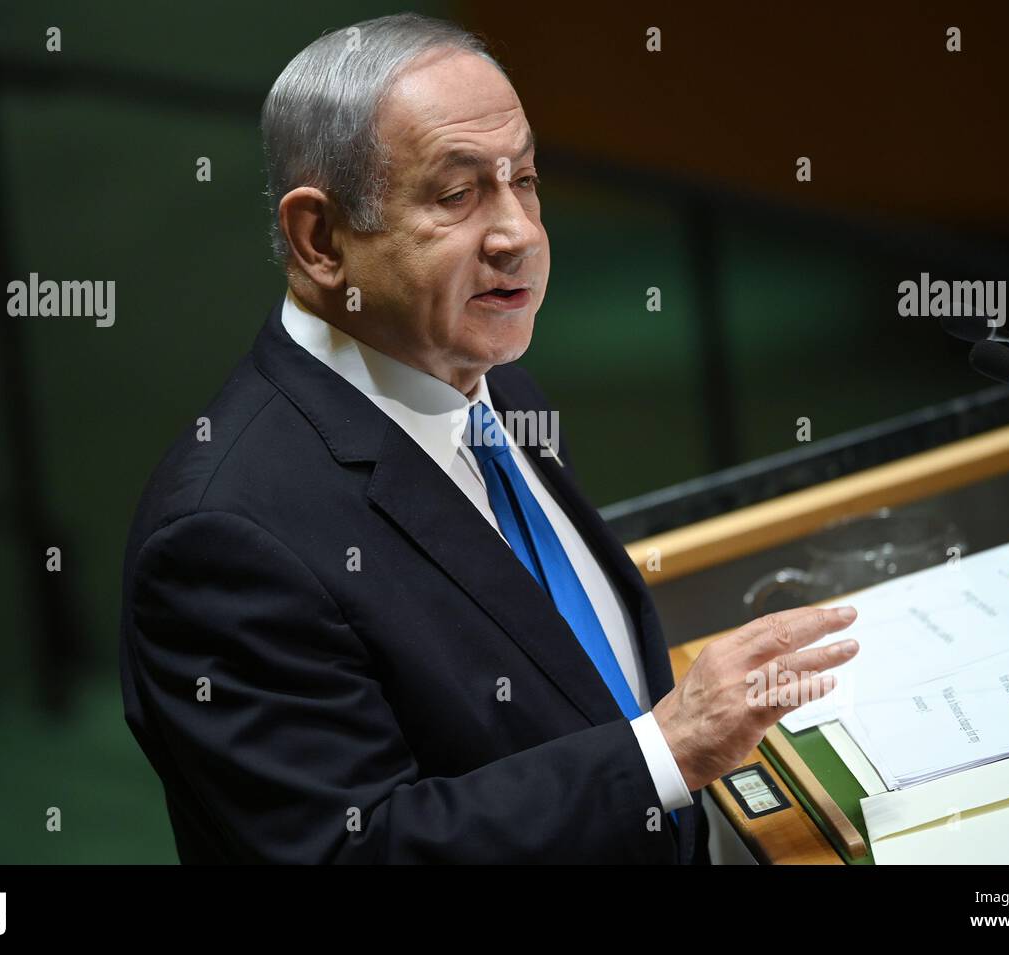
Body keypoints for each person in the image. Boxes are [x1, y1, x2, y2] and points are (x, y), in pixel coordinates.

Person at [118, 12, 859, 864]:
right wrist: (665, 749)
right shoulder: (223, 539)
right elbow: (353, 852)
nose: (519, 235)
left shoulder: (490, 380)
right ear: (320, 240)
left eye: (526, 180)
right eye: (458, 194)